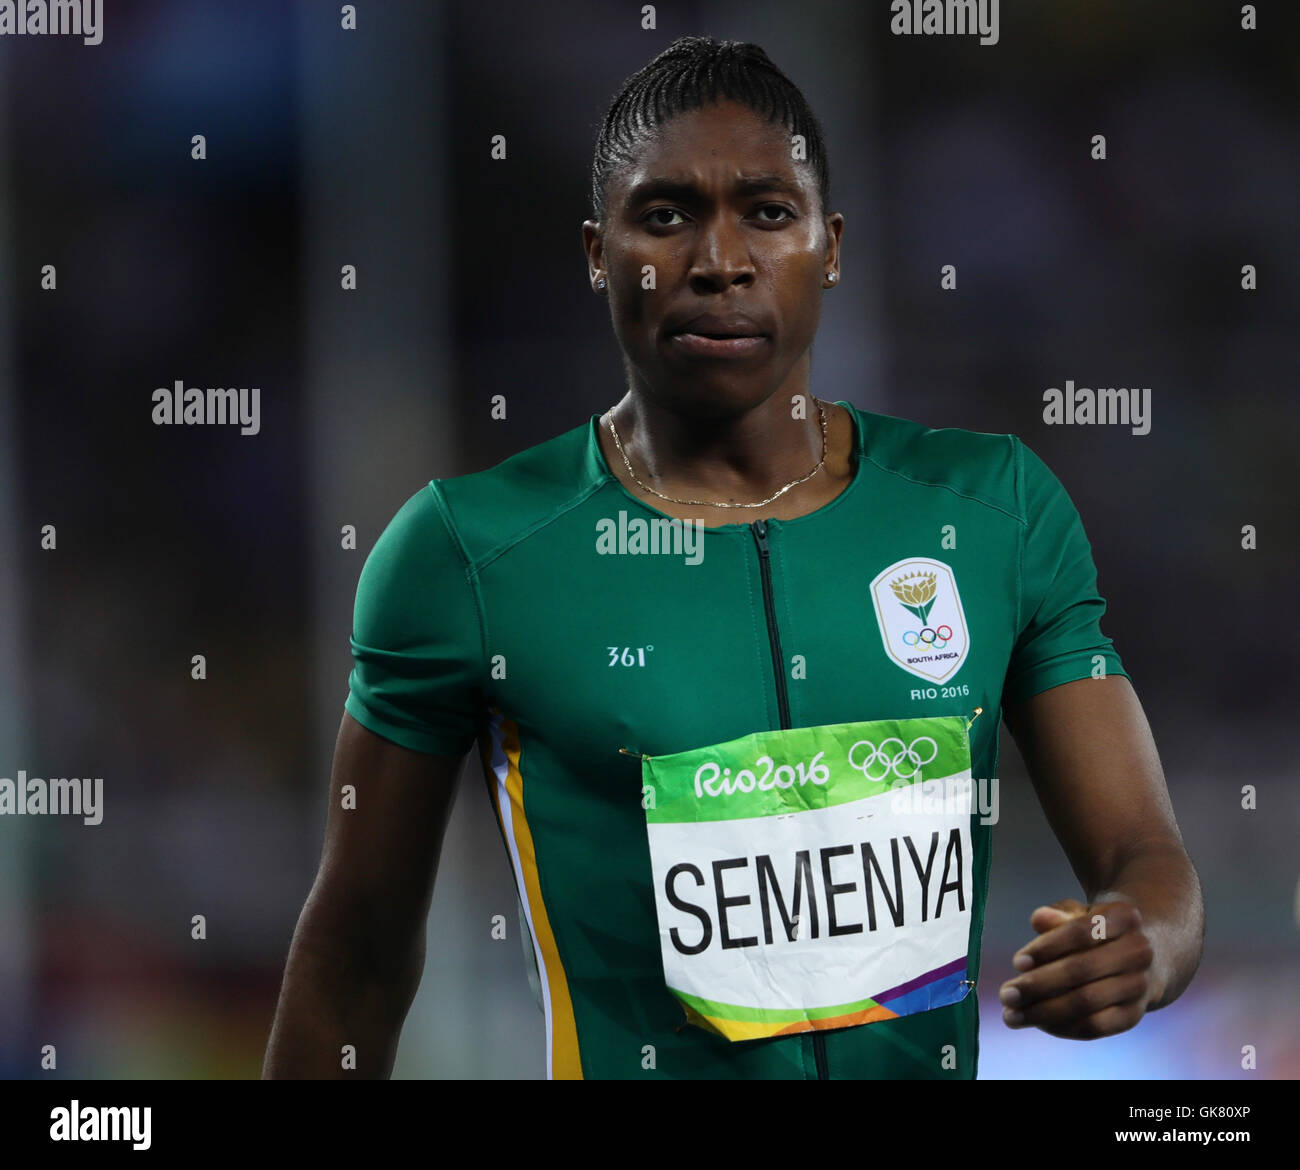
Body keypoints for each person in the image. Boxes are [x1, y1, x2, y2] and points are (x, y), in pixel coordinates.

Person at [264, 36, 1203, 1080]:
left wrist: (1139, 944)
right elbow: (353, 963)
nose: (718, 261)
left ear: (830, 244)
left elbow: (1145, 862)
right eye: (665, 215)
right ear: (596, 252)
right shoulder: (468, 554)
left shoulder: (991, 511)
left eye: (767, 211)